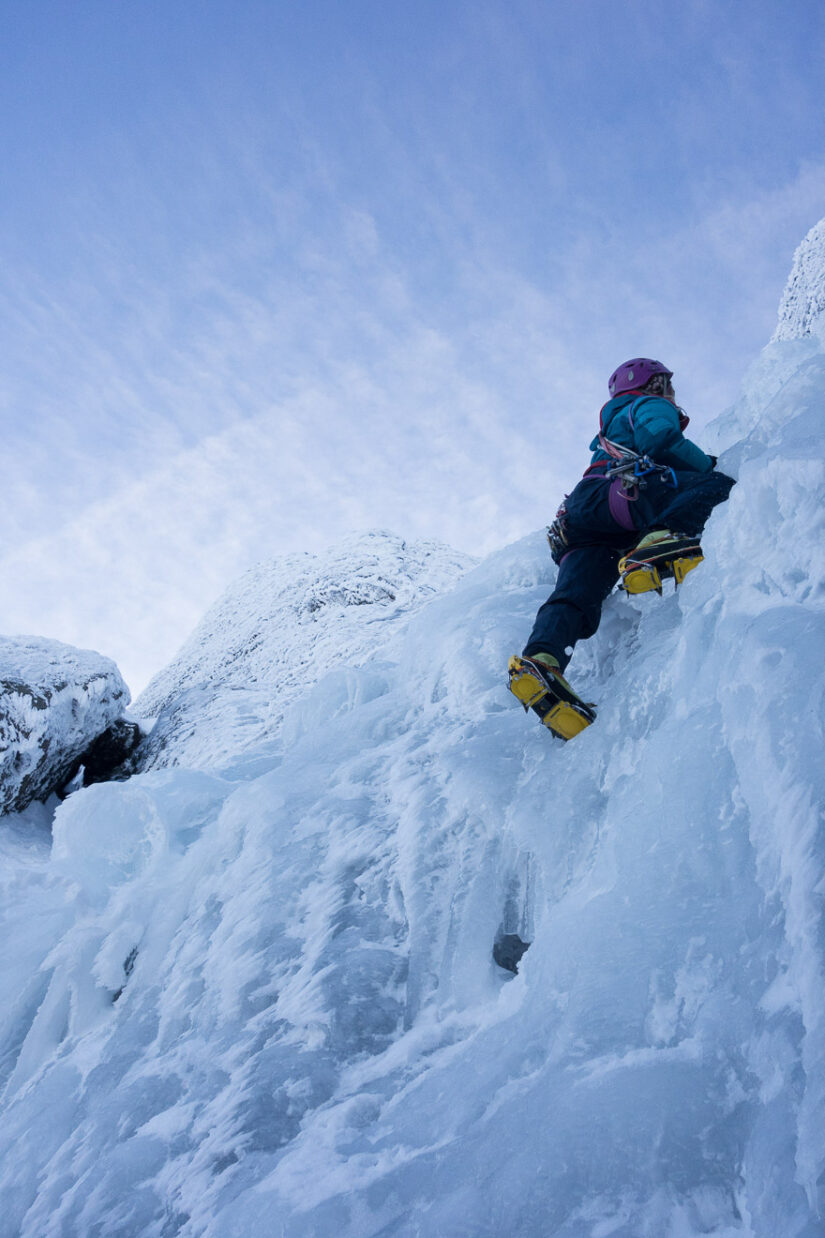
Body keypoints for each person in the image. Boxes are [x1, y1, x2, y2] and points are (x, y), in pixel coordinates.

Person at [511, 357, 735, 730]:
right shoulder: (647, 404)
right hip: (621, 498)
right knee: (716, 485)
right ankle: (660, 543)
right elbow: (661, 438)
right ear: (655, 384)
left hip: (579, 522)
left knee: (575, 597)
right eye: (670, 386)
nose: (674, 394)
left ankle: (542, 662)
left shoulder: (610, 426)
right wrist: (710, 464)